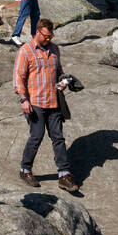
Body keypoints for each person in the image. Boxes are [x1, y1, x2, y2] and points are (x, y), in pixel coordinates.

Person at [14, 18, 79, 193]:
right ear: (37, 32)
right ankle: (25, 170)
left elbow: (59, 72)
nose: (49, 39)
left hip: (53, 101)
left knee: (58, 138)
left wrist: (63, 81)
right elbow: (18, 77)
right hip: (34, 102)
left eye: (51, 36)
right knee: (36, 136)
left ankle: (64, 175)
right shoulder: (25, 51)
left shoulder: (55, 49)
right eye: (46, 36)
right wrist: (23, 99)